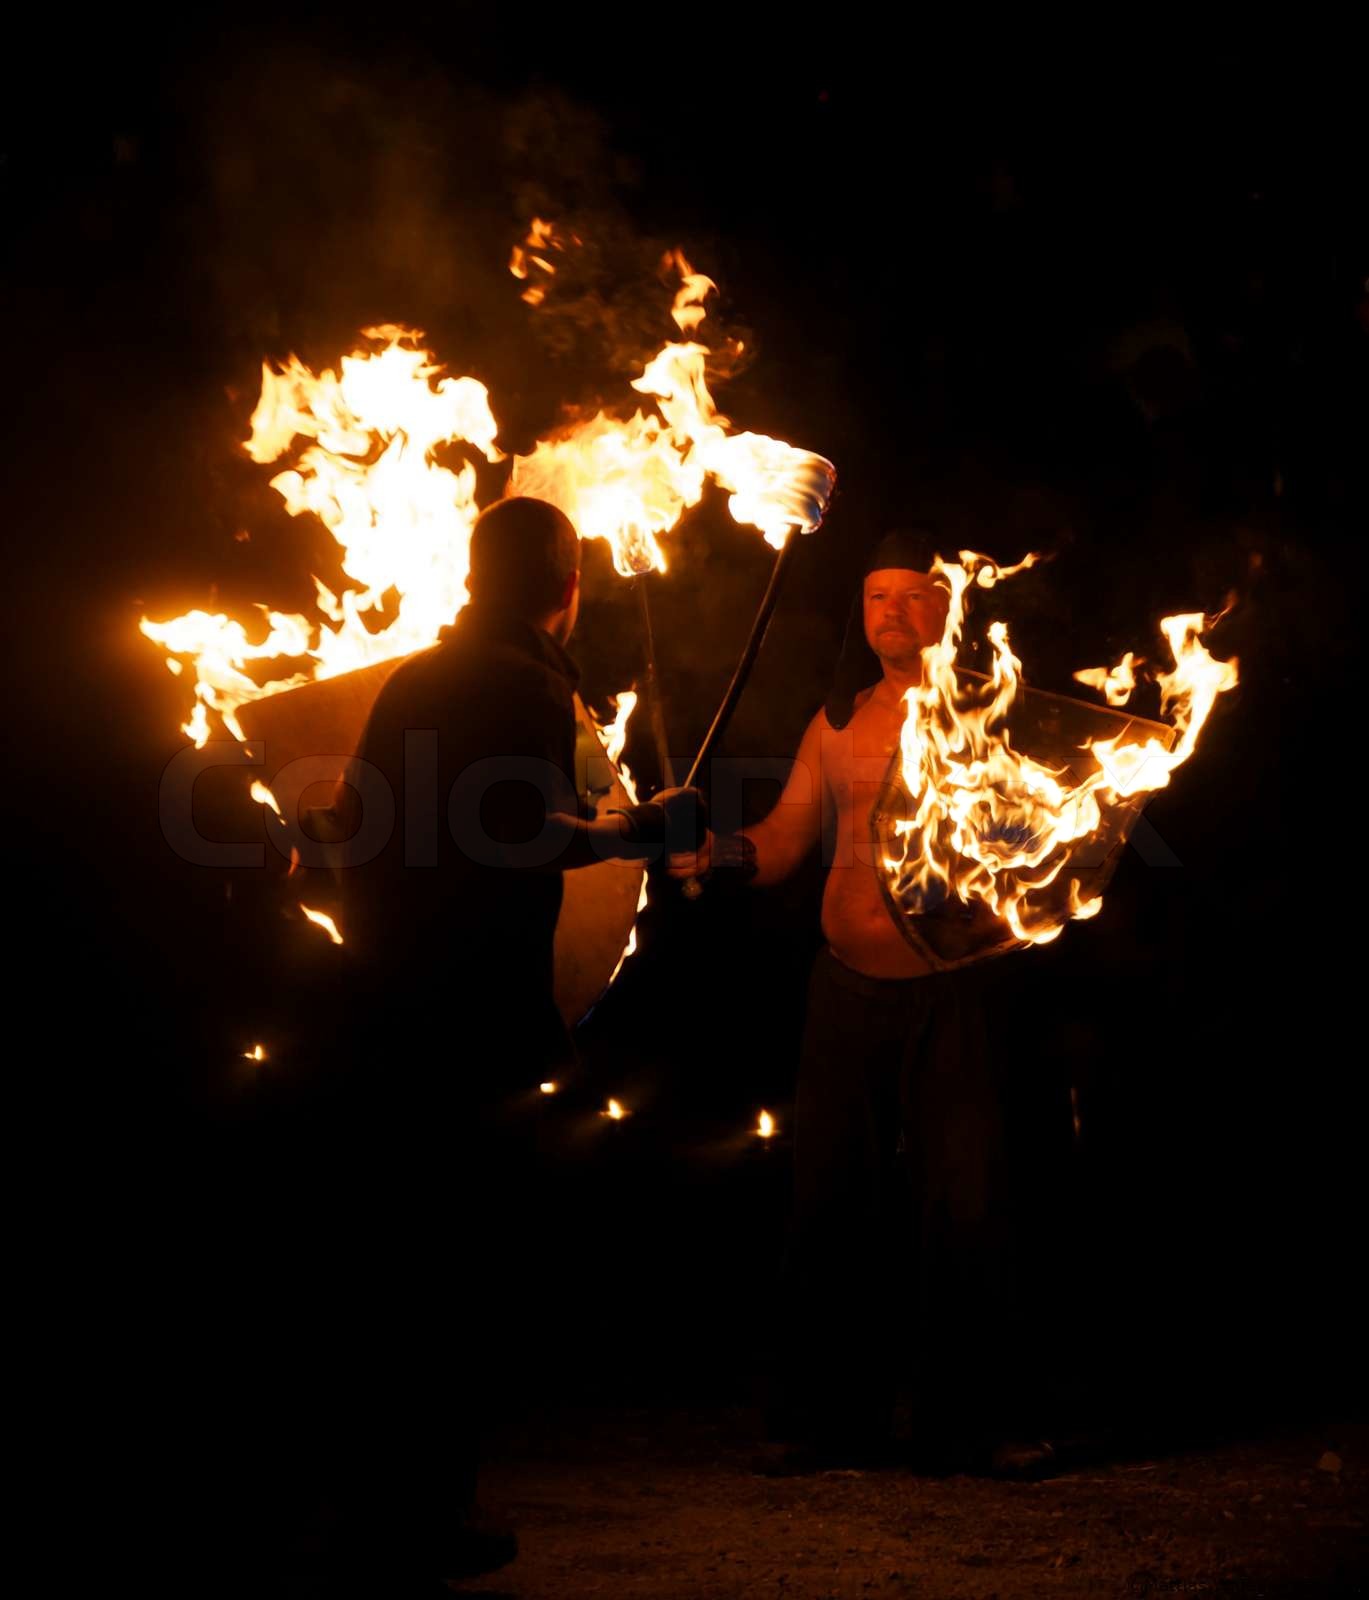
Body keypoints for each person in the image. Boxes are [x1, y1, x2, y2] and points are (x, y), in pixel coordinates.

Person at [298, 495, 700, 1585]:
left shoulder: (417, 676)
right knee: (446, 1266)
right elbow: (521, 830)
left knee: (389, 1263)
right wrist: (639, 828)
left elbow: (347, 823)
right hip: (461, 1012)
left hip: (383, 1003)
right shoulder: (523, 682)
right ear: (564, 585)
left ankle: (373, 1503)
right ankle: (418, 1517)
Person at [669, 527, 1051, 1477]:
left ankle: (976, 1423)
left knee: (965, 1206)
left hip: (955, 993)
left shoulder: (992, 718)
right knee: (831, 1203)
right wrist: (713, 851)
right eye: (875, 595)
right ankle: (825, 1420)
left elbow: (1045, 854)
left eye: (912, 593)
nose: (890, 611)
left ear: (947, 604)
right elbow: (787, 840)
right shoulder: (836, 722)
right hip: (844, 992)